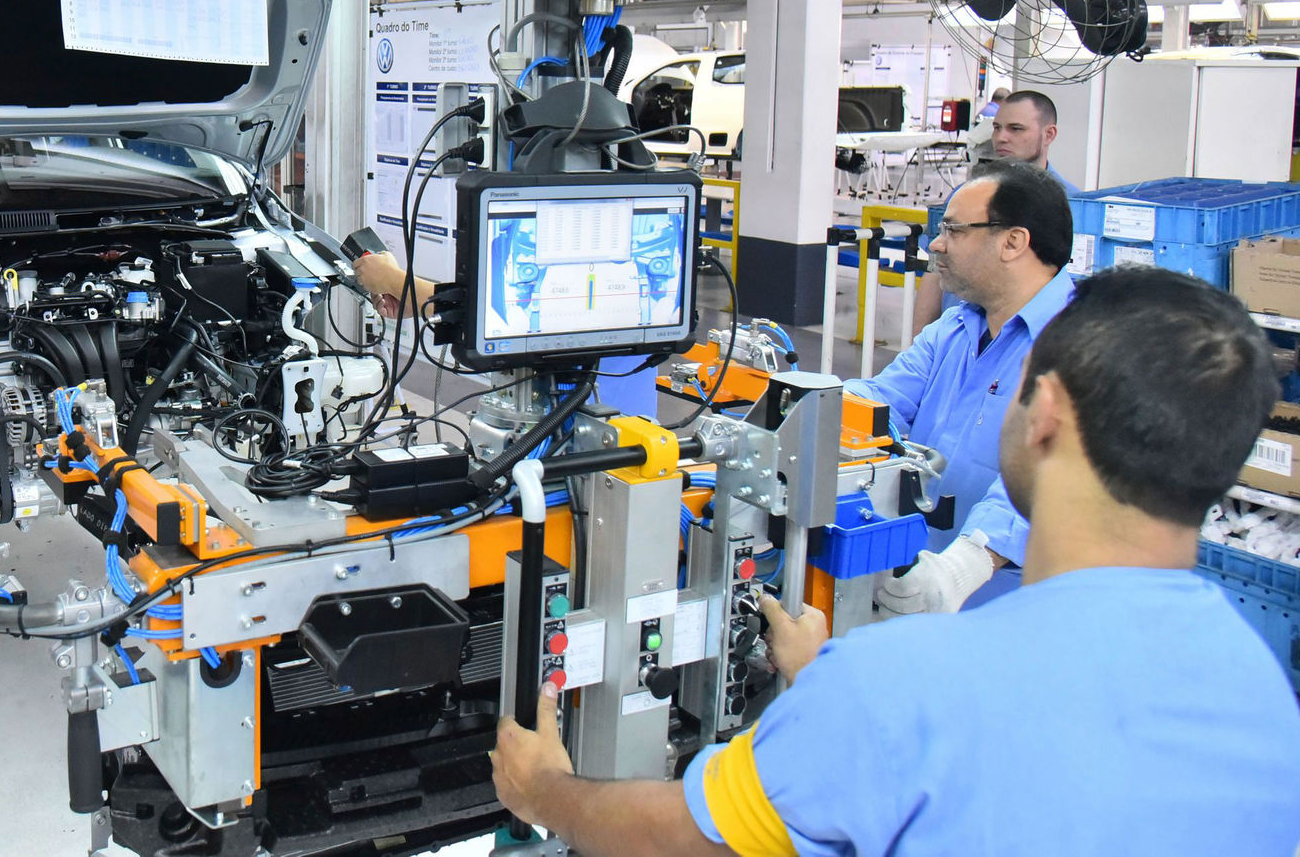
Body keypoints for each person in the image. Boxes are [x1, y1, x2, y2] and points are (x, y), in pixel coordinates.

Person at [490, 266, 1300, 855]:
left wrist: (545, 791)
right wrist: (825, 679)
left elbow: (681, 838)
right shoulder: (1260, 690)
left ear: (1046, 413)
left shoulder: (898, 691)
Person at [854, 160, 1074, 614]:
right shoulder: (957, 325)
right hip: (920, 572)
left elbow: (1055, 472)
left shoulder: (1080, 345)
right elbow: (880, 403)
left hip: (1010, 603)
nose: (937, 243)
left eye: (954, 230)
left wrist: (968, 563)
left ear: (1013, 242)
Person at [912, 90, 1074, 331]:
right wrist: (919, 346)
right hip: (956, 339)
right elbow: (934, 271)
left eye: (1015, 129)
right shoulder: (966, 196)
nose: (1001, 138)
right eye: (997, 128)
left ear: (1048, 134)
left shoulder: (1069, 205)